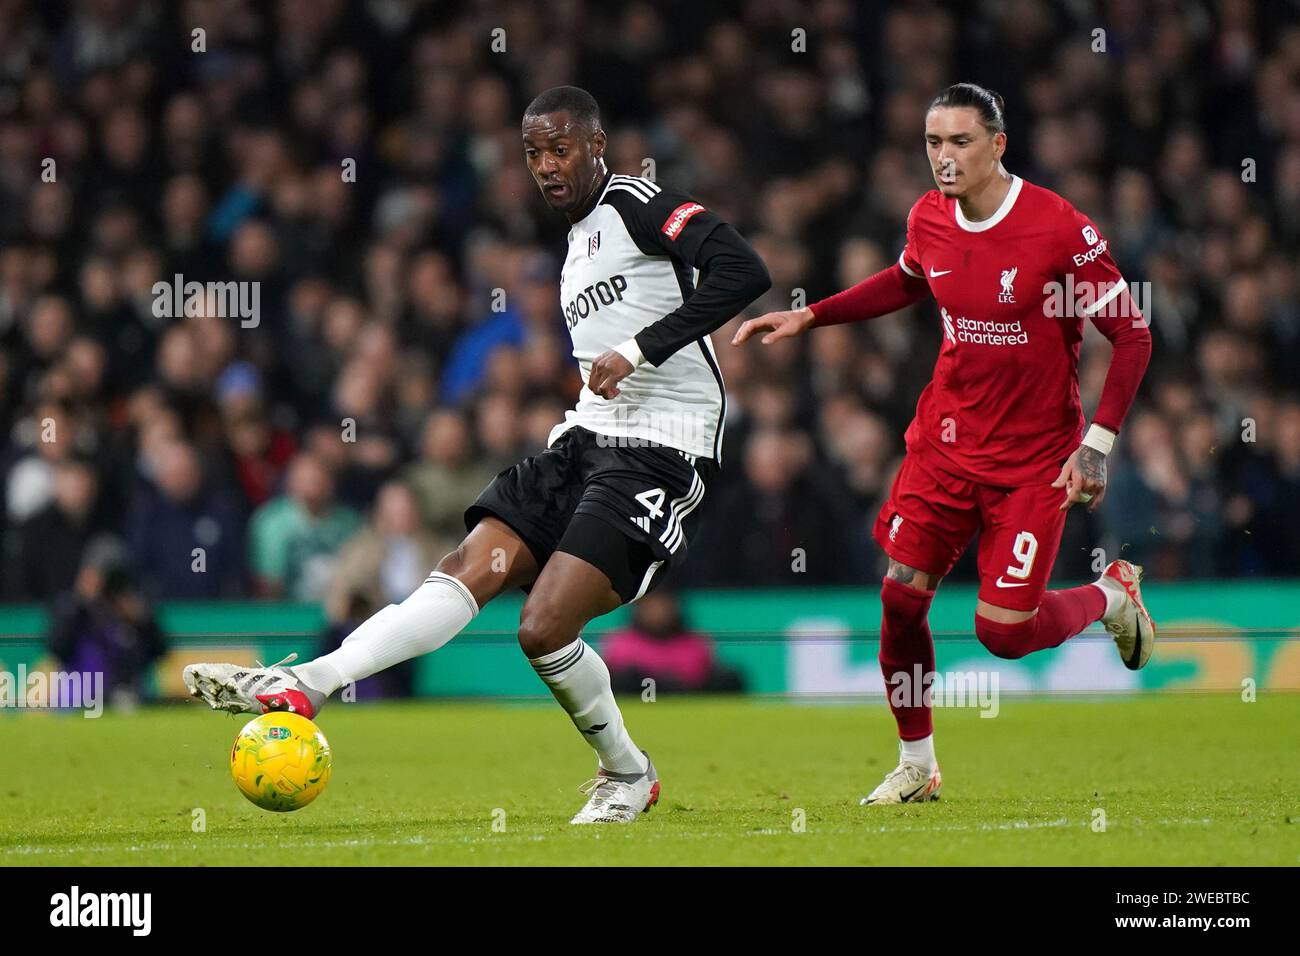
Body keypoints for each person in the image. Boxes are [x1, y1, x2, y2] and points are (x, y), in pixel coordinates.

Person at [184, 86, 771, 823]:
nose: (548, 165)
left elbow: (744, 271)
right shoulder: (572, 249)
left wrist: (639, 348)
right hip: (581, 443)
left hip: (661, 450)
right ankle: (314, 683)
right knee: (466, 567)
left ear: (595, 144)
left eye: (561, 148)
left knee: (544, 628)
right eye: (533, 153)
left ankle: (628, 772)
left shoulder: (637, 203)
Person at [733, 83, 1155, 805]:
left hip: (1033, 462)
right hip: (945, 444)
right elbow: (905, 282)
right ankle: (917, 764)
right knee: (900, 600)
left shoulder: (1059, 228)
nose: (944, 157)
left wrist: (1098, 444)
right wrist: (813, 317)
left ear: (998, 144)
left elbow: (1133, 332)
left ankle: (1111, 596)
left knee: (1003, 633)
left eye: (960, 141)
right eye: (933, 142)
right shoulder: (929, 217)